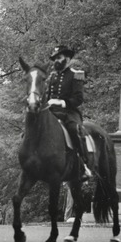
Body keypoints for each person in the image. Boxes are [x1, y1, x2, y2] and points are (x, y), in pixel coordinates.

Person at [44, 45, 91, 180]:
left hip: (69, 112)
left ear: (68, 58)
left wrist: (62, 102)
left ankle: (83, 165)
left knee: (74, 129)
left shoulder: (76, 75)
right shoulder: (52, 77)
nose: (56, 61)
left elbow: (78, 99)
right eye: (54, 59)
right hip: (52, 112)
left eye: (59, 58)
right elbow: (48, 97)